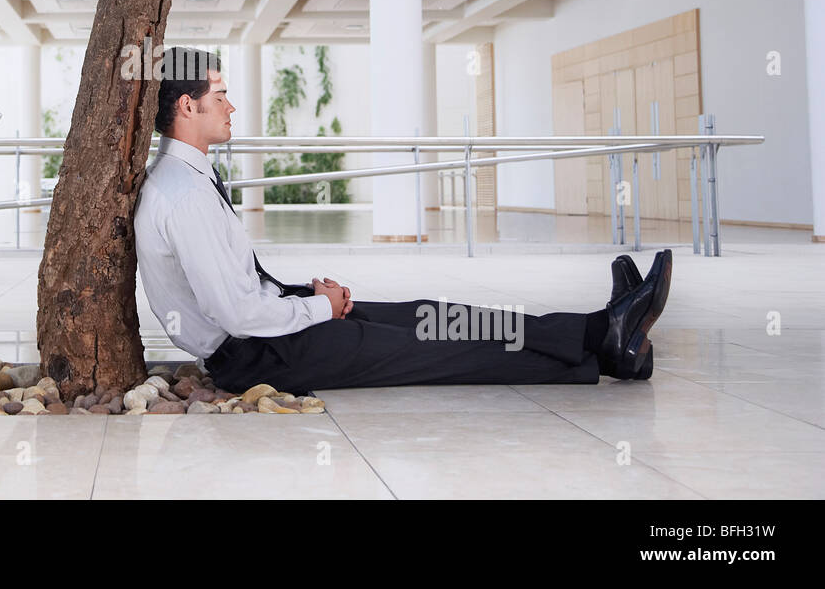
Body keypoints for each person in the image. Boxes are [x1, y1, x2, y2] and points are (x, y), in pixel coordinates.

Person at [133, 46, 672, 396]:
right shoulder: (182, 196)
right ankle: (607, 347)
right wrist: (319, 307)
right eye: (221, 96)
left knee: (431, 316)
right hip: (260, 355)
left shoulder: (191, 181)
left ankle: (601, 331)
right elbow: (232, 312)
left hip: (272, 328)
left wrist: (306, 298)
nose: (232, 107)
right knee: (440, 347)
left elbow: (239, 292)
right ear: (187, 106)